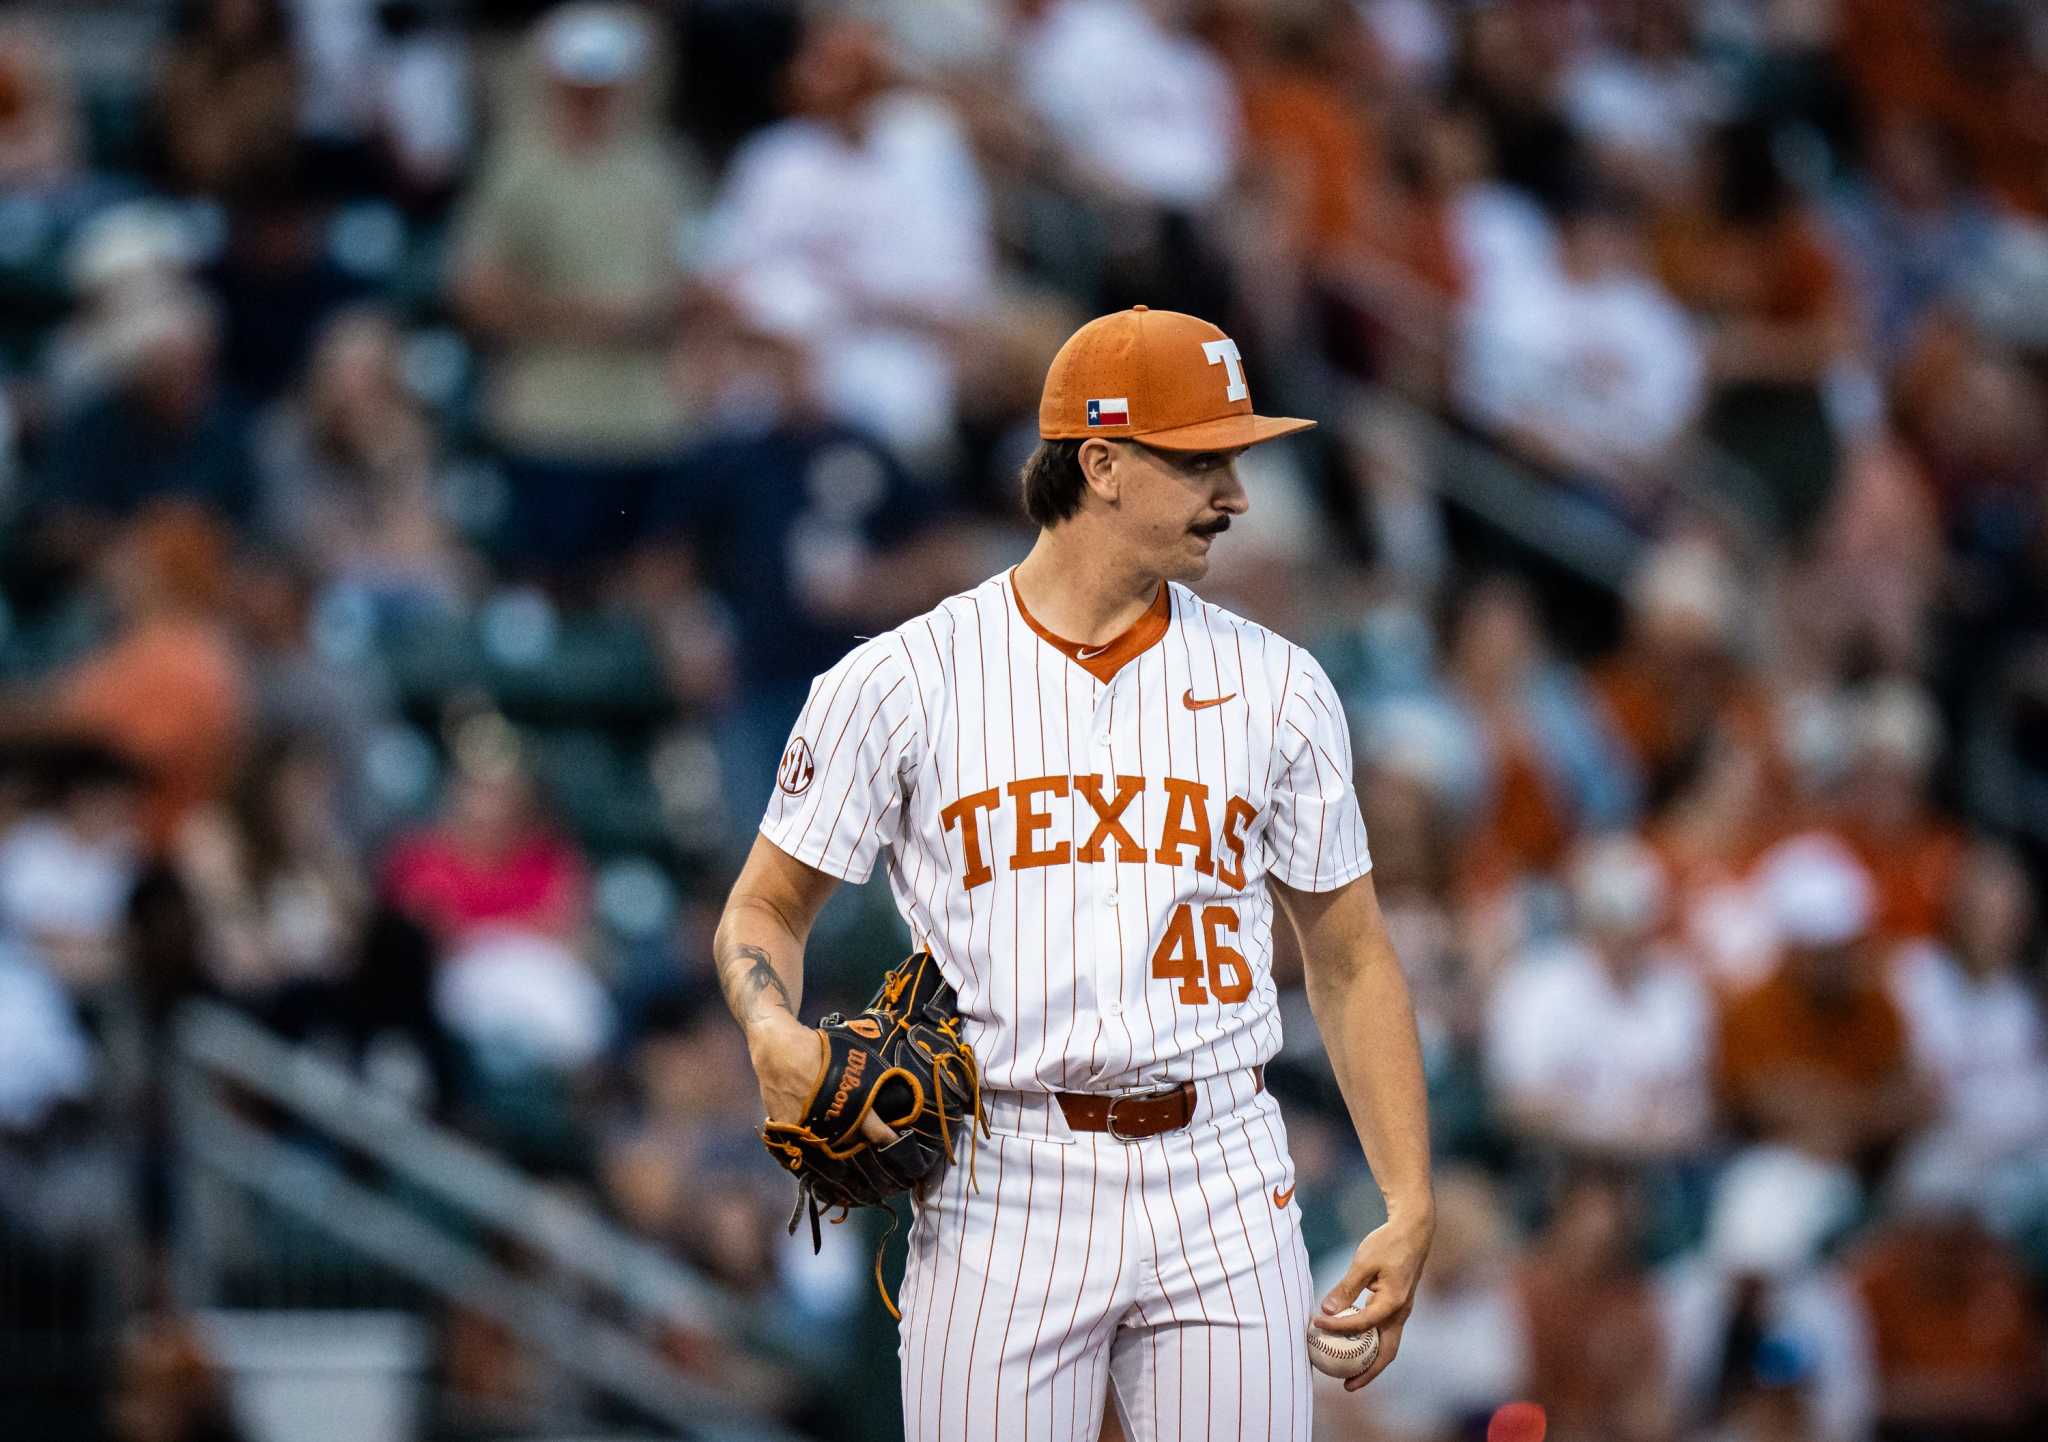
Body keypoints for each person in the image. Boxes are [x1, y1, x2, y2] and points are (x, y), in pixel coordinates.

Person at [716, 306, 1433, 1438]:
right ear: (1098, 462)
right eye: (1201, 459)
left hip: (1221, 1167)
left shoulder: (1279, 686)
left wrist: (1406, 1198)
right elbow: (764, 904)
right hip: (1003, 1167)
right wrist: (770, 1028)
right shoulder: (900, 679)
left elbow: (1347, 956)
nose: (1234, 494)